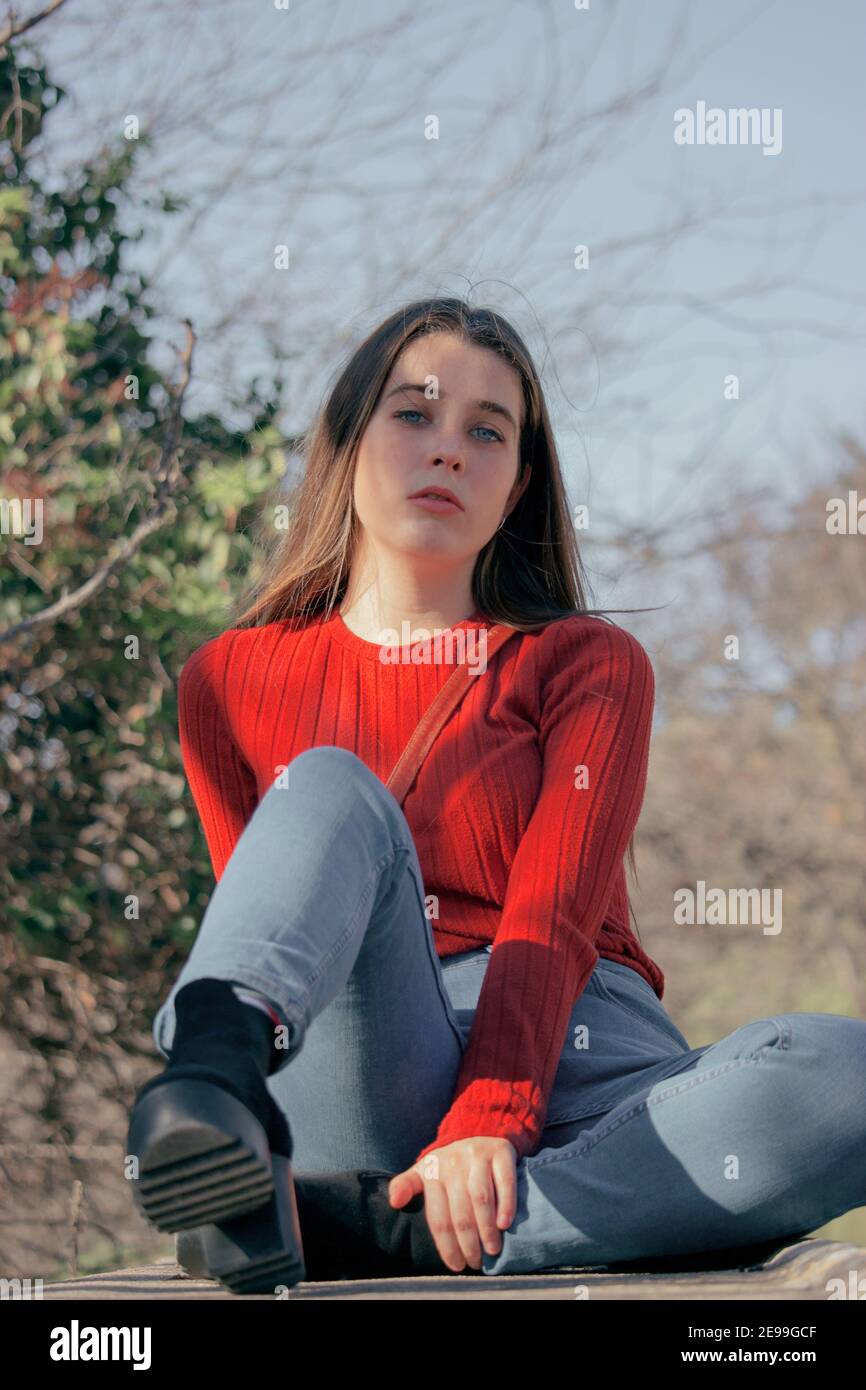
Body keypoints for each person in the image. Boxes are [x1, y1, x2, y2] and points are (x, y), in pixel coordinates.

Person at [127, 297, 866, 1293]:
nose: (448, 451)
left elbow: (552, 916)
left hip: (590, 1078)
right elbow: (271, 920)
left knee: (842, 1076)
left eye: (487, 431)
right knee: (330, 790)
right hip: (373, 1065)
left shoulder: (585, 663)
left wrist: (491, 1114)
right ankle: (204, 1083)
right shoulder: (228, 681)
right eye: (414, 416)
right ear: (345, 443)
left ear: (517, 485)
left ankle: (387, 1233)